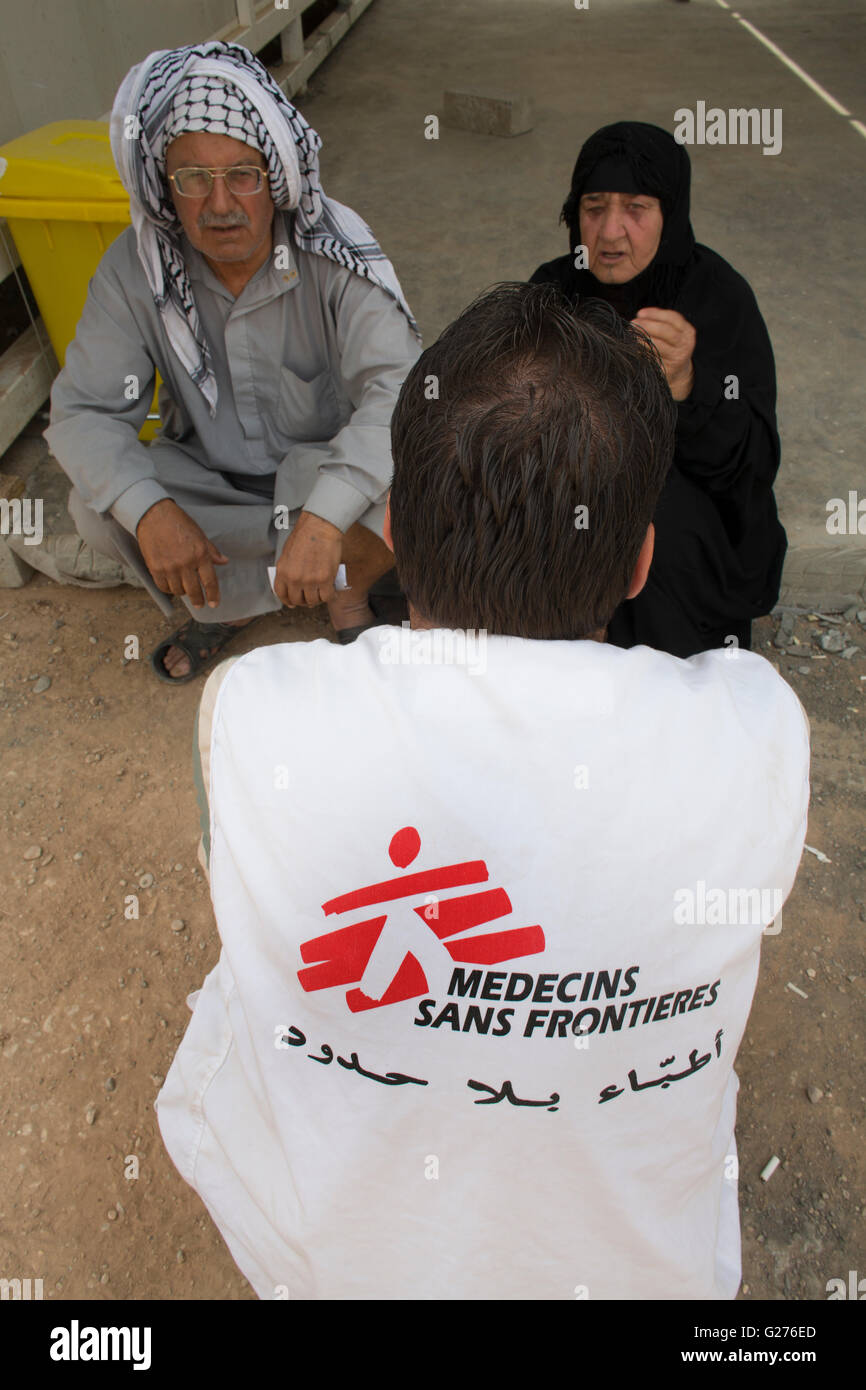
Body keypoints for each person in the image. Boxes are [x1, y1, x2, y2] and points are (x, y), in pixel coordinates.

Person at [155, 283, 809, 1300]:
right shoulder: (753, 728)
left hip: (333, 1264)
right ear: (638, 559)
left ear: (394, 532)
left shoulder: (257, 713)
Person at [44, 41, 420, 681]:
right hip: (214, 482)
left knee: (412, 485)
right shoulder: (138, 269)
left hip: (328, 477)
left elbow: (400, 391)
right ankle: (257, 594)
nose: (220, 205)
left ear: (275, 175)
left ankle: (334, 585)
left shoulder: (330, 254)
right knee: (100, 503)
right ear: (166, 186)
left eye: (243, 174)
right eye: (193, 179)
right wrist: (155, 512)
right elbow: (83, 412)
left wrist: (326, 516)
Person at [530, 120, 786, 658]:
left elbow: (754, 467)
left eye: (636, 209)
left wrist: (688, 386)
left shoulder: (719, 299)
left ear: (670, 215)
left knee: (651, 524)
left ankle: (672, 699)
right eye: (594, 208)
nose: (610, 231)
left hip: (683, 527)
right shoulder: (552, 291)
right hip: (572, 503)